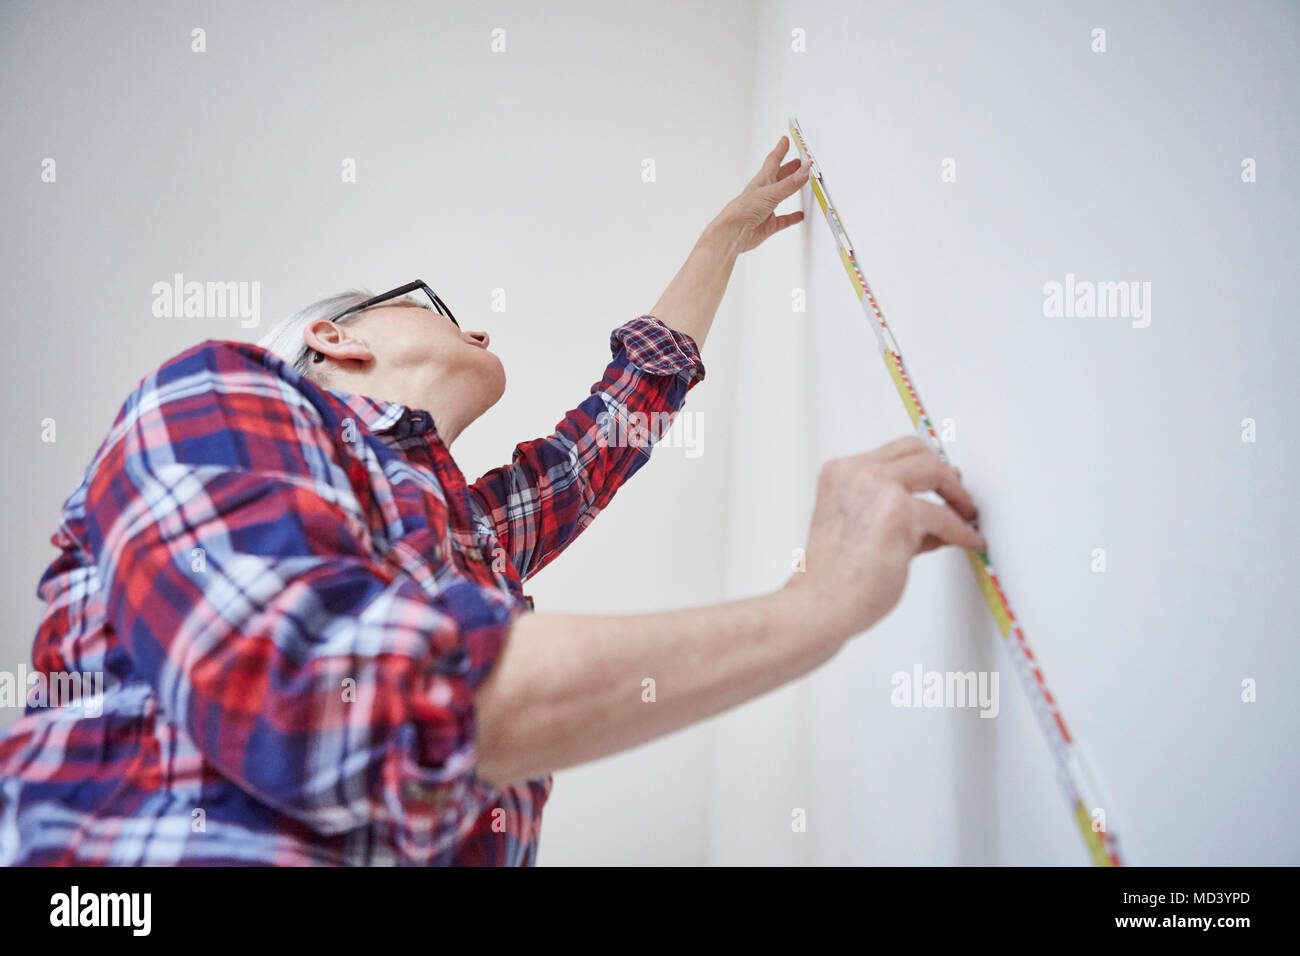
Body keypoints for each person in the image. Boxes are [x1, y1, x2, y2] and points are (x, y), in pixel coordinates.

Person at [0, 136, 982, 865]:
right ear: (338, 340)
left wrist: (721, 238)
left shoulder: (464, 537)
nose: (477, 324)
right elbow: (333, 697)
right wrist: (815, 607)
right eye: (432, 304)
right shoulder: (220, 391)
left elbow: (617, 419)